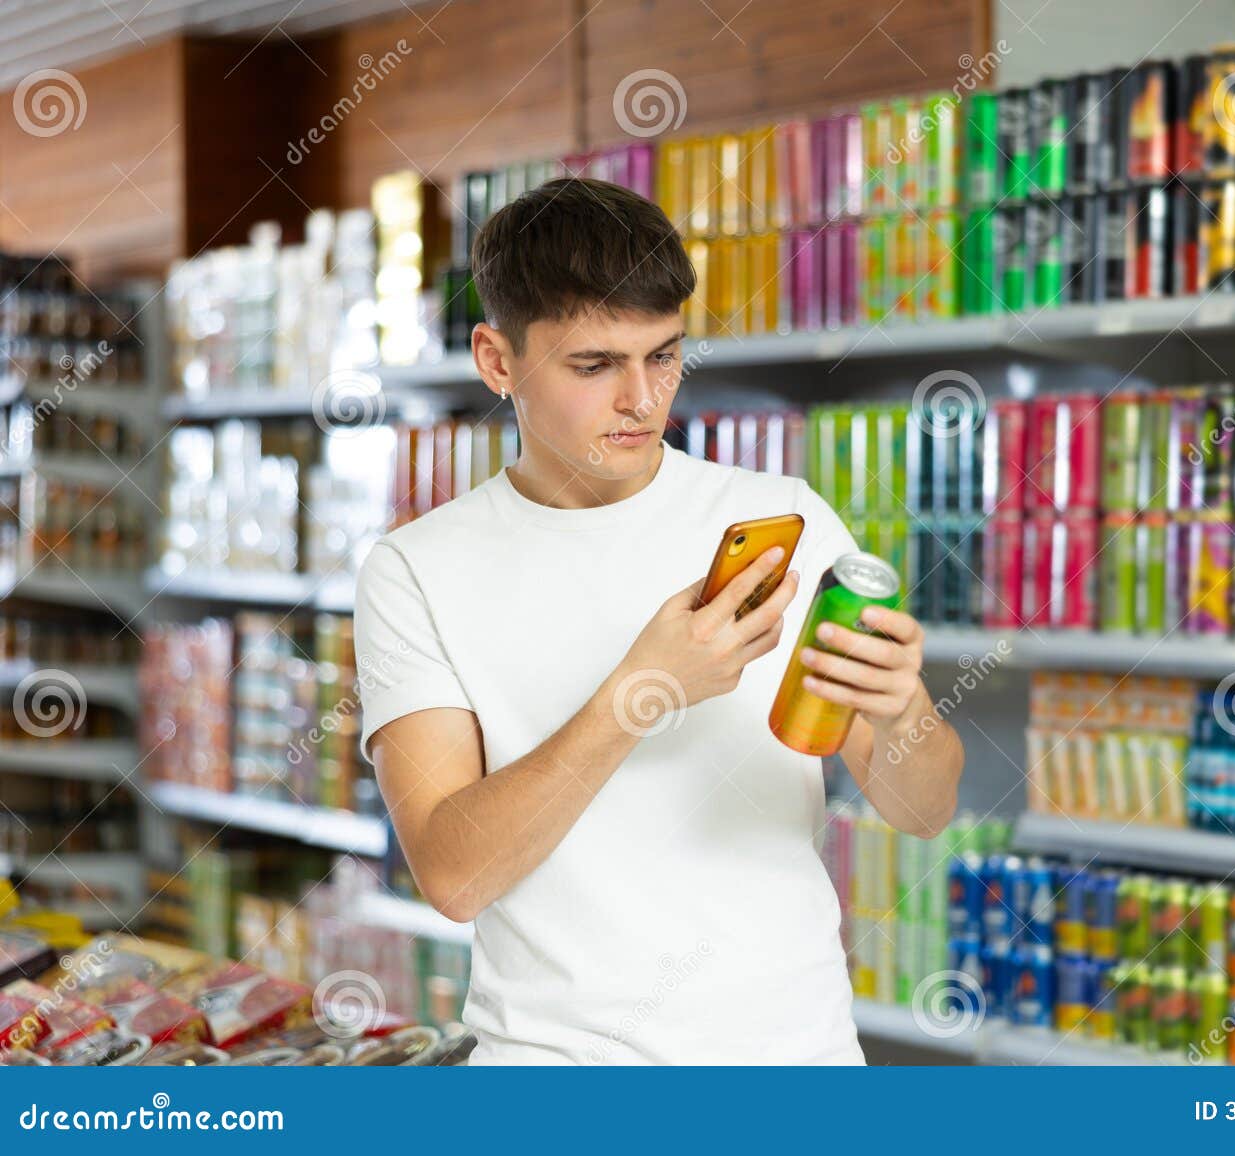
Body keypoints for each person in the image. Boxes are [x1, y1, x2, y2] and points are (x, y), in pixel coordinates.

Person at [354, 177, 965, 1065]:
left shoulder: (782, 515)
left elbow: (923, 808)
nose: (642, 398)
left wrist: (901, 708)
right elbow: (454, 875)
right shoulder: (416, 570)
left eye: (666, 356)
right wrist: (642, 694)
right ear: (497, 361)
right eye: (594, 366)